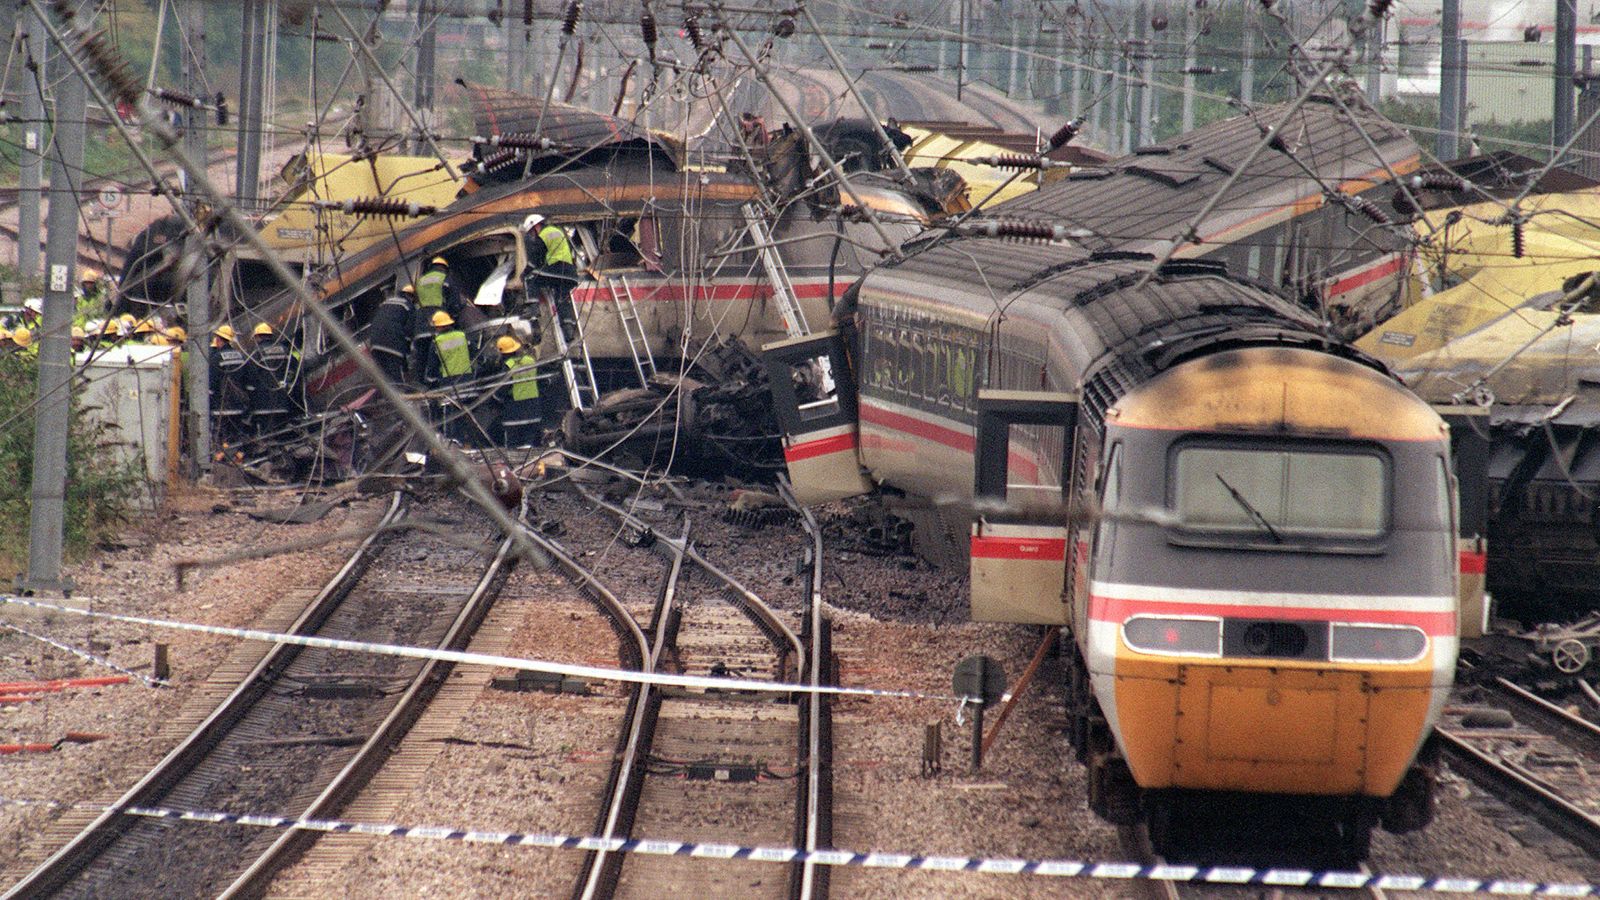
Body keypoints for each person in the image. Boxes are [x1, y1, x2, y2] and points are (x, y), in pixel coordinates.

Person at [521, 214, 579, 341]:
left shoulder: (543, 235)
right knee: (561, 298)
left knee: (530, 278)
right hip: (571, 274)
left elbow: (535, 260)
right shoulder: (558, 231)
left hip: (558, 270)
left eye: (531, 232)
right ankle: (568, 331)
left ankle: (533, 308)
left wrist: (525, 272)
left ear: (536, 226)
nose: (532, 235)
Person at [424, 310, 478, 441]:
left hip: (450, 384)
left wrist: (429, 382)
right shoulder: (462, 336)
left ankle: (452, 441)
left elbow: (432, 366)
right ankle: (471, 442)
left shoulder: (437, 342)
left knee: (450, 417)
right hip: (468, 383)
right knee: (468, 417)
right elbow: (475, 353)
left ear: (438, 326)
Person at [495, 335, 542, 447]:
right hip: (533, 409)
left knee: (512, 447)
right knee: (529, 446)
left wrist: (495, 399)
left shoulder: (509, 366)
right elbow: (540, 380)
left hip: (514, 412)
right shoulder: (530, 361)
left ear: (502, 353)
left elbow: (501, 389)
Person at [209, 324, 250, 445]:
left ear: (218, 339)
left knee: (221, 438)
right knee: (236, 436)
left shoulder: (216, 358)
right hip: (238, 404)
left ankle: (224, 458)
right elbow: (246, 379)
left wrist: (210, 402)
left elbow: (212, 382)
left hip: (221, 405)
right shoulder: (240, 356)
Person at [369, 283, 415, 385]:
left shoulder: (386, 303)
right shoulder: (408, 306)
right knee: (396, 377)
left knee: (383, 377)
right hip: (392, 343)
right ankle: (401, 395)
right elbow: (408, 334)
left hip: (375, 342)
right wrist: (406, 367)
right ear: (412, 297)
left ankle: (386, 398)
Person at [253, 322, 303, 413]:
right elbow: (294, 368)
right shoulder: (285, 349)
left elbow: (252, 374)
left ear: (258, 337)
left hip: (268, 401)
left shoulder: (257, 353)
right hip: (288, 397)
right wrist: (287, 382)